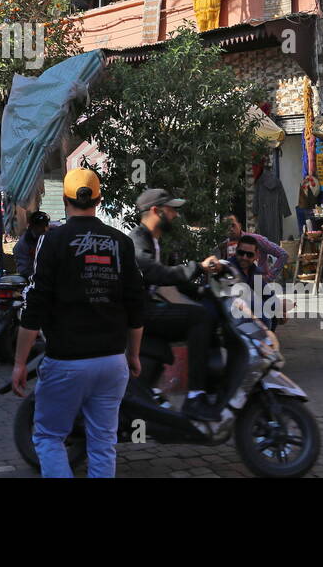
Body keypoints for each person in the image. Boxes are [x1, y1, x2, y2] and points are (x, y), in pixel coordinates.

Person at [12, 168, 144, 478]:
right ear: (99, 199)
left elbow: (35, 306)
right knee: (102, 443)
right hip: (112, 361)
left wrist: (20, 363)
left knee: (47, 437)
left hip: (66, 361)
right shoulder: (121, 242)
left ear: (65, 198)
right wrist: (133, 354)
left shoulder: (53, 241)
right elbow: (137, 306)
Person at [130, 188, 223, 422]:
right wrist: (198, 267)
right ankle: (195, 397)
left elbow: (172, 278)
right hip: (139, 314)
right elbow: (155, 273)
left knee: (202, 314)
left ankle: (150, 395)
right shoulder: (137, 240)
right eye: (171, 209)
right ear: (155, 210)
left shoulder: (154, 241)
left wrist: (204, 290)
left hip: (145, 311)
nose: (175, 215)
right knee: (199, 317)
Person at [221, 214, 288, 282]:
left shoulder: (256, 239)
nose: (231, 229)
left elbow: (283, 254)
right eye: (227, 227)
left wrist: (269, 277)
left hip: (257, 285)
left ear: (240, 225)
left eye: (233, 225)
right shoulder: (223, 246)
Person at [14, 211, 50, 279]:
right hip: (30, 276)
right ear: (34, 226)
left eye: (46, 225)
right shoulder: (23, 244)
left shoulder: (44, 235)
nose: (45, 229)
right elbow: (25, 269)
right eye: (42, 226)